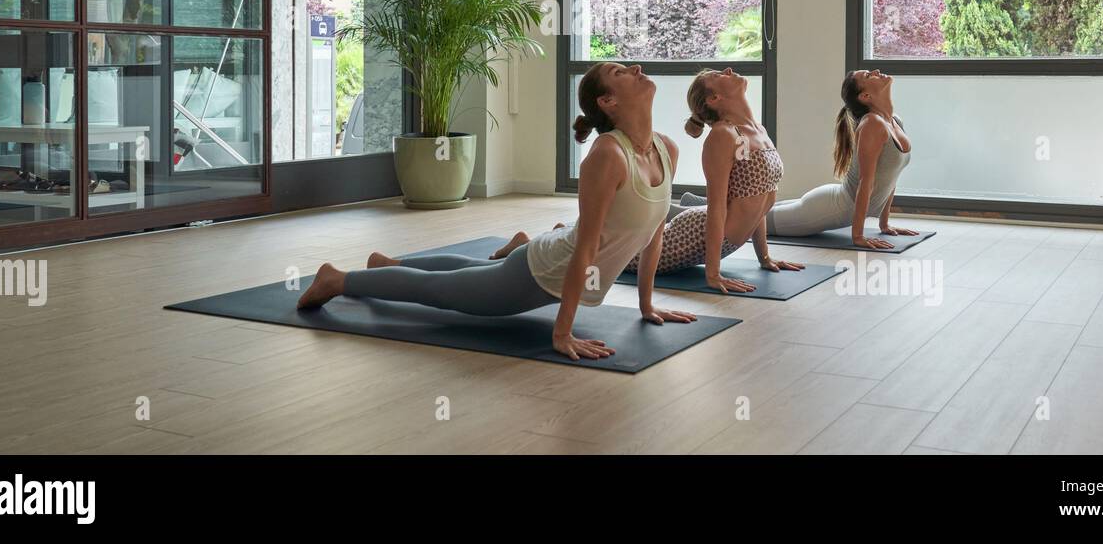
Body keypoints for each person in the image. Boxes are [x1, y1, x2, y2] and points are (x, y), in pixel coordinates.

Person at [296, 62, 696, 362]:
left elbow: (653, 234)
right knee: (436, 293)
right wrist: (562, 333)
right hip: (539, 274)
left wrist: (647, 306)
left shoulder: (666, 148)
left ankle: (389, 263)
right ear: (607, 102)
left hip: (546, 254)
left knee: (474, 275)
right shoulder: (608, 155)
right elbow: (586, 248)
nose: (636, 69)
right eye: (622, 71)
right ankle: (338, 280)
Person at [717, 69, 918, 250]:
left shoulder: (894, 121)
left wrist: (884, 224)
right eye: (868, 75)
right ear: (865, 96)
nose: (876, 71)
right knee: (740, 217)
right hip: (827, 209)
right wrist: (857, 236)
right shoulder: (873, 124)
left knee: (745, 208)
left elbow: (891, 176)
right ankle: (687, 209)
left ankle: (696, 204)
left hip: (831, 200)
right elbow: (866, 183)